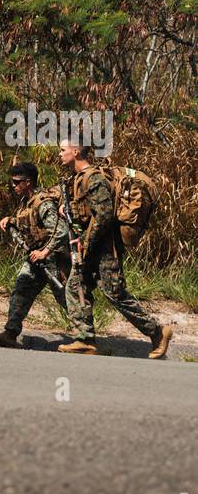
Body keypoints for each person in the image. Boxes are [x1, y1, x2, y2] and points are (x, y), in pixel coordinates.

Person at [57, 133, 173, 358]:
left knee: (114, 292)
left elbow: (104, 216)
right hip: (93, 245)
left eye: (63, 150)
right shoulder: (79, 177)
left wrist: (86, 245)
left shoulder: (93, 178)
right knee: (76, 285)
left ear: (76, 152)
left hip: (104, 247)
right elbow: (87, 212)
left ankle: (158, 331)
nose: (60, 154)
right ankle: (84, 339)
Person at [0, 161, 69, 347]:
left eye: (16, 182)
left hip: (52, 258)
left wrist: (45, 252)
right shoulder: (26, 201)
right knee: (21, 289)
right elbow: (30, 221)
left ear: (28, 182)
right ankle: (10, 333)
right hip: (35, 257)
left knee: (65, 297)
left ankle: (87, 336)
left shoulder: (43, 203)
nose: (13, 186)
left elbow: (61, 231)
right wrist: (11, 220)